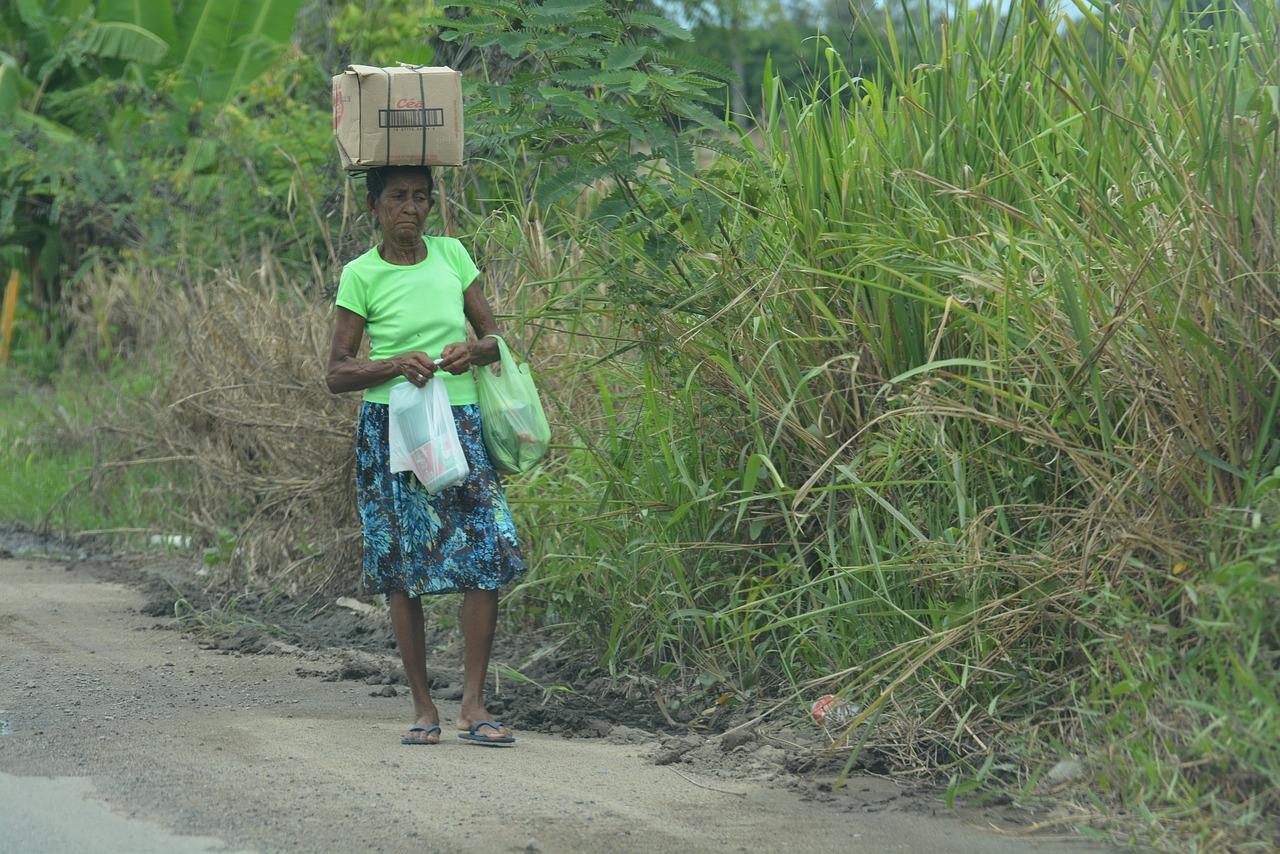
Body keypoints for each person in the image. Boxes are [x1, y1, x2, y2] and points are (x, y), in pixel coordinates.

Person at [325, 165, 524, 747]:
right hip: (394, 428)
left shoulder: (453, 256)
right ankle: (422, 708)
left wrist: (472, 351)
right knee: (402, 566)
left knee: (485, 551)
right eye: (397, 198)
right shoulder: (360, 276)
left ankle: (473, 704)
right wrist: (392, 364)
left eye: (420, 197)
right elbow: (337, 372)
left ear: (432, 204)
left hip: (459, 424)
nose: (409, 209)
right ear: (374, 206)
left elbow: (495, 339)